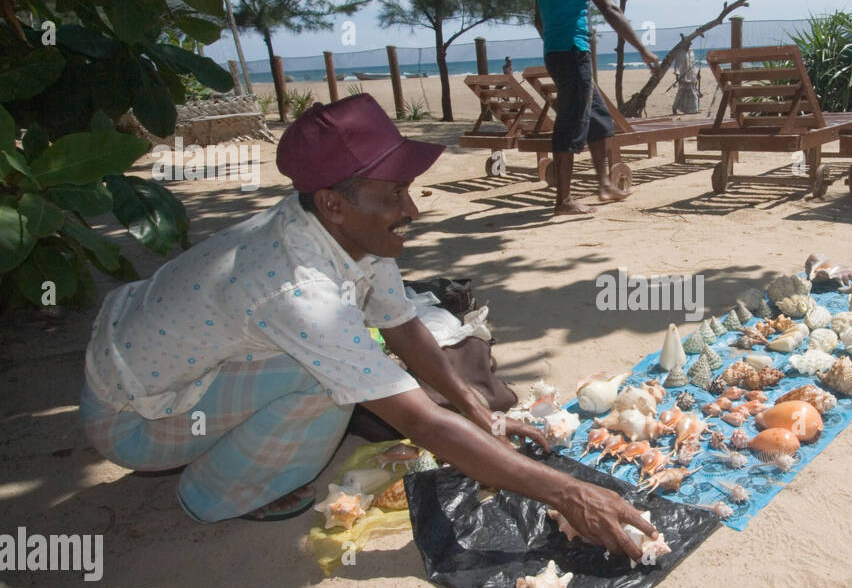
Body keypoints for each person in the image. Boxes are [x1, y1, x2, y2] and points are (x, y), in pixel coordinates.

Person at [78, 93, 657, 559]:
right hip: (131, 415)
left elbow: (401, 326)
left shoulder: (348, 233)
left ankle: (222, 456)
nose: (412, 209)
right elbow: (418, 420)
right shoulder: (298, 287)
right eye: (395, 193)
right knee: (330, 385)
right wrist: (572, 493)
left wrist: (480, 410)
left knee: (344, 368)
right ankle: (212, 494)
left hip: (156, 363)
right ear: (334, 203)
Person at [534, 0, 659, 217]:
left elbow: (537, 18)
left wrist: (554, 39)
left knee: (599, 117)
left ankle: (604, 185)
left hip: (555, 51)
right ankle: (563, 200)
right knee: (570, 122)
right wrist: (642, 49)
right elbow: (610, 10)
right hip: (574, 53)